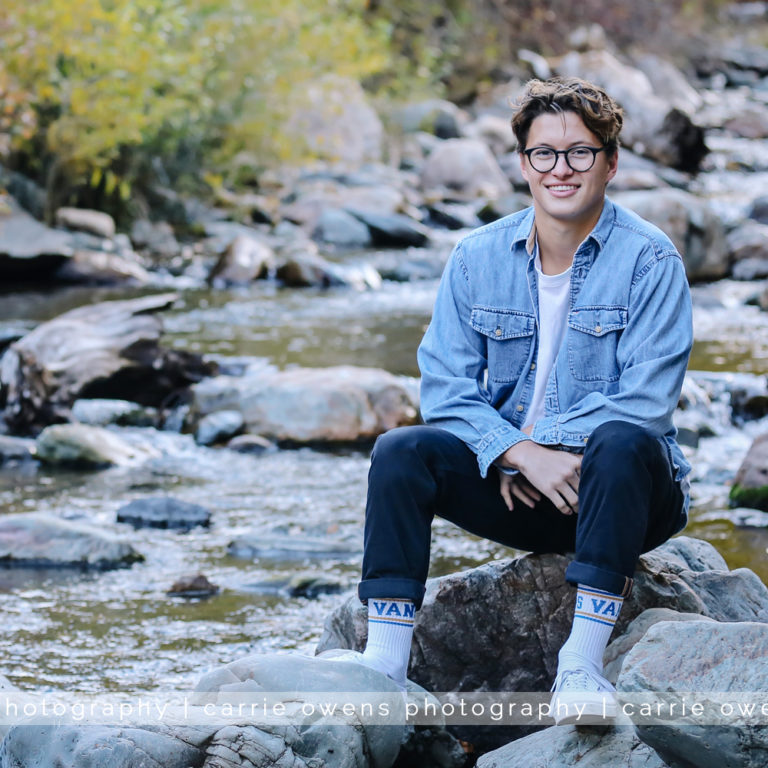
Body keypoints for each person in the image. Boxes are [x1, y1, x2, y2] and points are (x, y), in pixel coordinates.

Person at [353, 77, 692, 724]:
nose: (560, 169)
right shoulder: (478, 257)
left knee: (623, 439)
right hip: (521, 486)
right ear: (522, 164)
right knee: (401, 452)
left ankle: (582, 668)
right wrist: (514, 451)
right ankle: (384, 668)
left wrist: (546, 443)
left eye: (580, 153)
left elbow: (647, 400)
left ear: (611, 162)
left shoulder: (651, 260)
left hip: (624, 493)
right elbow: (444, 388)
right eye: (544, 153)